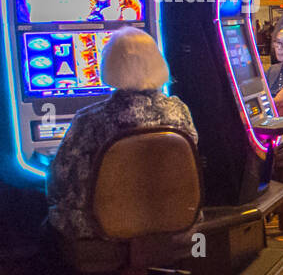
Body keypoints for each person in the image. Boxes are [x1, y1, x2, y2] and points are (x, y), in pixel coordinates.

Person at [47, 27, 198, 240]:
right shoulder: (179, 111)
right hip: (173, 221)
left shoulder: (90, 118)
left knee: (46, 227)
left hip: (99, 229)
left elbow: (59, 180)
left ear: (109, 65)